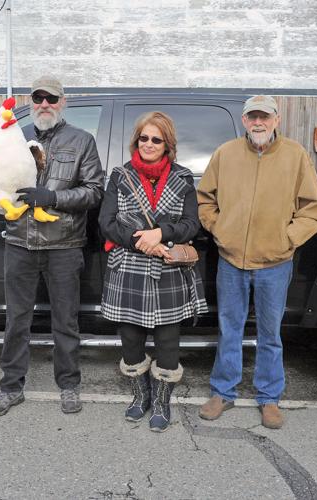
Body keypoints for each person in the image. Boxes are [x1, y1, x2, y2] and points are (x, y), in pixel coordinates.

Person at [196, 95, 317, 429]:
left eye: (264, 117)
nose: (258, 122)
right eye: (252, 116)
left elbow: (313, 209)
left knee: (270, 333)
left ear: (276, 120)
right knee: (229, 329)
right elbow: (205, 200)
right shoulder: (225, 154)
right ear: (244, 120)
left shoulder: (295, 156)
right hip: (231, 261)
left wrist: (287, 239)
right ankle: (223, 392)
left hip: (275, 263)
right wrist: (221, 230)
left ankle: (269, 397)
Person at [0, 75, 104, 417]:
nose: (44, 104)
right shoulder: (12, 137)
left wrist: (53, 198)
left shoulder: (82, 141)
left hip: (64, 244)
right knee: (16, 321)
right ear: (31, 102)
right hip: (19, 243)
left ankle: (69, 385)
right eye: (38, 98)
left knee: (65, 321)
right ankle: (10, 388)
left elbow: (95, 191)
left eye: (51, 98)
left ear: (63, 102)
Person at [100, 111, 207, 432]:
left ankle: (162, 400)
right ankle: (140, 395)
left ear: (167, 145)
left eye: (156, 139)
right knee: (131, 340)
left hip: (168, 270)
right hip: (128, 267)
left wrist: (161, 233)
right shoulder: (120, 176)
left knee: (168, 342)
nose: (148, 144)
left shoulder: (183, 178)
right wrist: (141, 242)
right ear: (136, 141)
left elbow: (192, 224)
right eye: (143, 138)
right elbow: (106, 223)